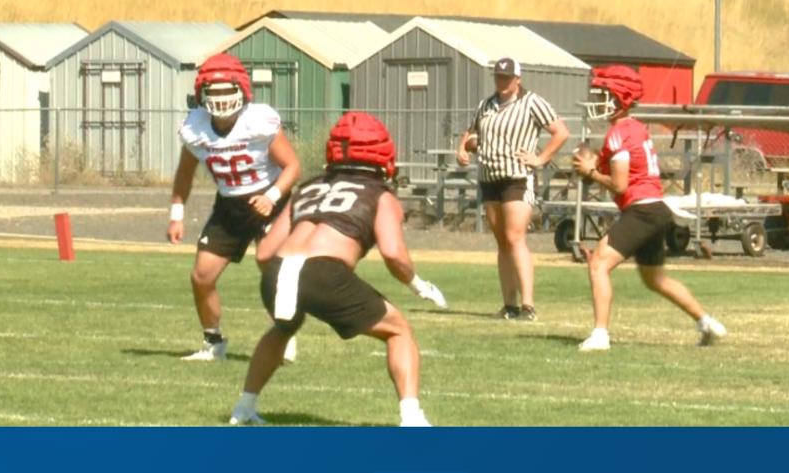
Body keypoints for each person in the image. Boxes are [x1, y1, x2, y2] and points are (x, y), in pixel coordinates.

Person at [228, 112, 447, 427]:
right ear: (383, 154)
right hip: (324, 273)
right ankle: (412, 418)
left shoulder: (307, 187)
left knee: (282, 329)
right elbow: (393, 253)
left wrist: (287, 291)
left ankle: (244, 408)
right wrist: (420, 286)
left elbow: (264, 253)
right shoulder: (380, 195)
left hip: (277, 270)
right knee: (398, 330)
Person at [571, 65, 727, 351]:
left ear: (621, 96)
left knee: (598, 264)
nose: (598, 101)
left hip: (641, 210)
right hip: (656, 208)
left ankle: (600, 335)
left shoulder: (619, 132)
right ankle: (707, 322)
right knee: (655, 278)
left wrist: (590, 172)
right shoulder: (635, 127)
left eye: (604, 94)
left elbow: (619, 185)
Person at [168, 53, 302, 362]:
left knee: (270, 263)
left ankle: (284, 333)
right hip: (230, 205)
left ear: (242, 89)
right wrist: (176, 214)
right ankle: (213, 343)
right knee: (201, 276)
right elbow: (184, 173)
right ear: (202, 94)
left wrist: (271, 196)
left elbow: (293, 166)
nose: (221, 99)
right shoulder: (195, 127)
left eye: (227, 90)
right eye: (214, 93)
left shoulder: (258, 121)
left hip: (271, 200)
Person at [456, 57, 569, 321]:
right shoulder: (485, 105)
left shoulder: (532, 102)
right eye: (498, 77)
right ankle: (509, 304)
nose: (502, 82)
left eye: (507, 78)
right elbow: (472, 133)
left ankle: (528, 305)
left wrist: (540, 159)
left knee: (515, 236)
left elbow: (560, 132)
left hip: (517, 176)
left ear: (518, 79)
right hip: (490, 176)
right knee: (503, 241)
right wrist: (463, 148)